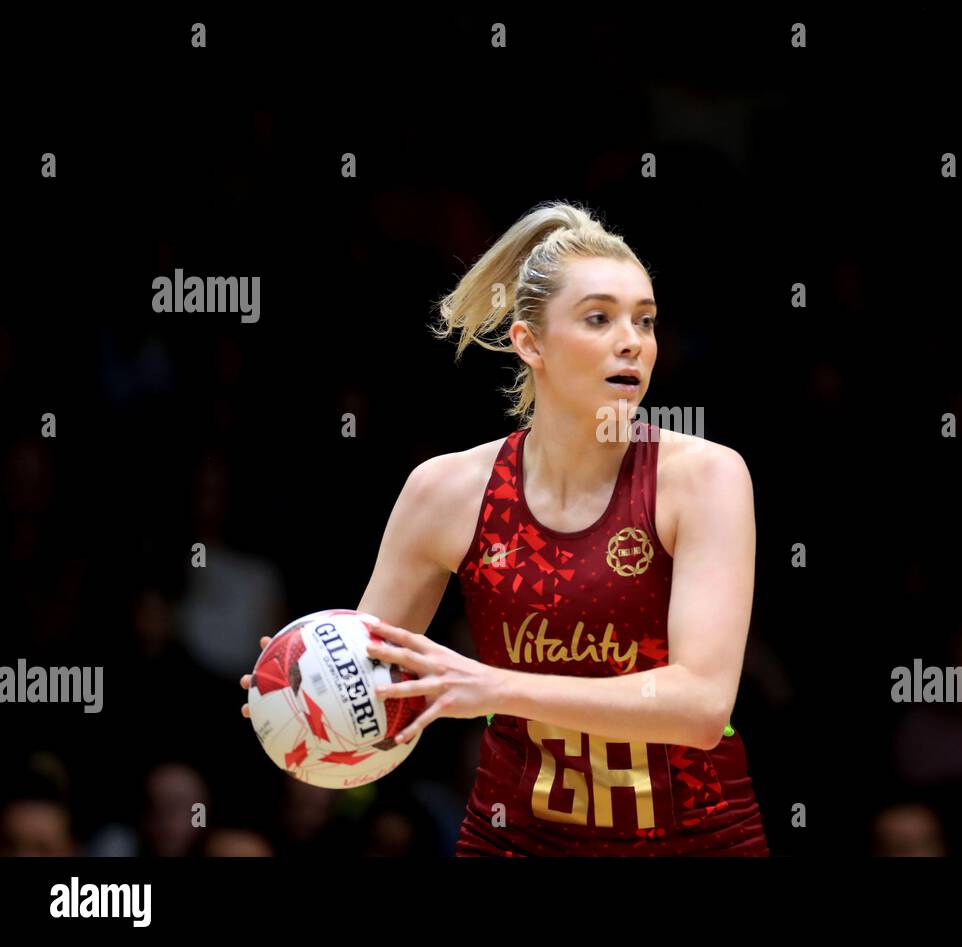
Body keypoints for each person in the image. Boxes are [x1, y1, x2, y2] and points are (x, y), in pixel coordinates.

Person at [243, 201, 767, 855]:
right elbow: (378, 695)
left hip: (697, 841)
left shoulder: (706, 478)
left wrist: (490, 686)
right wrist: (299, 690)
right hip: (514, 841)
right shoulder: (446, 492)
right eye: (599, 318)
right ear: (530, 342)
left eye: (645, 320)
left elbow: (699, 706)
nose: (632, 339)